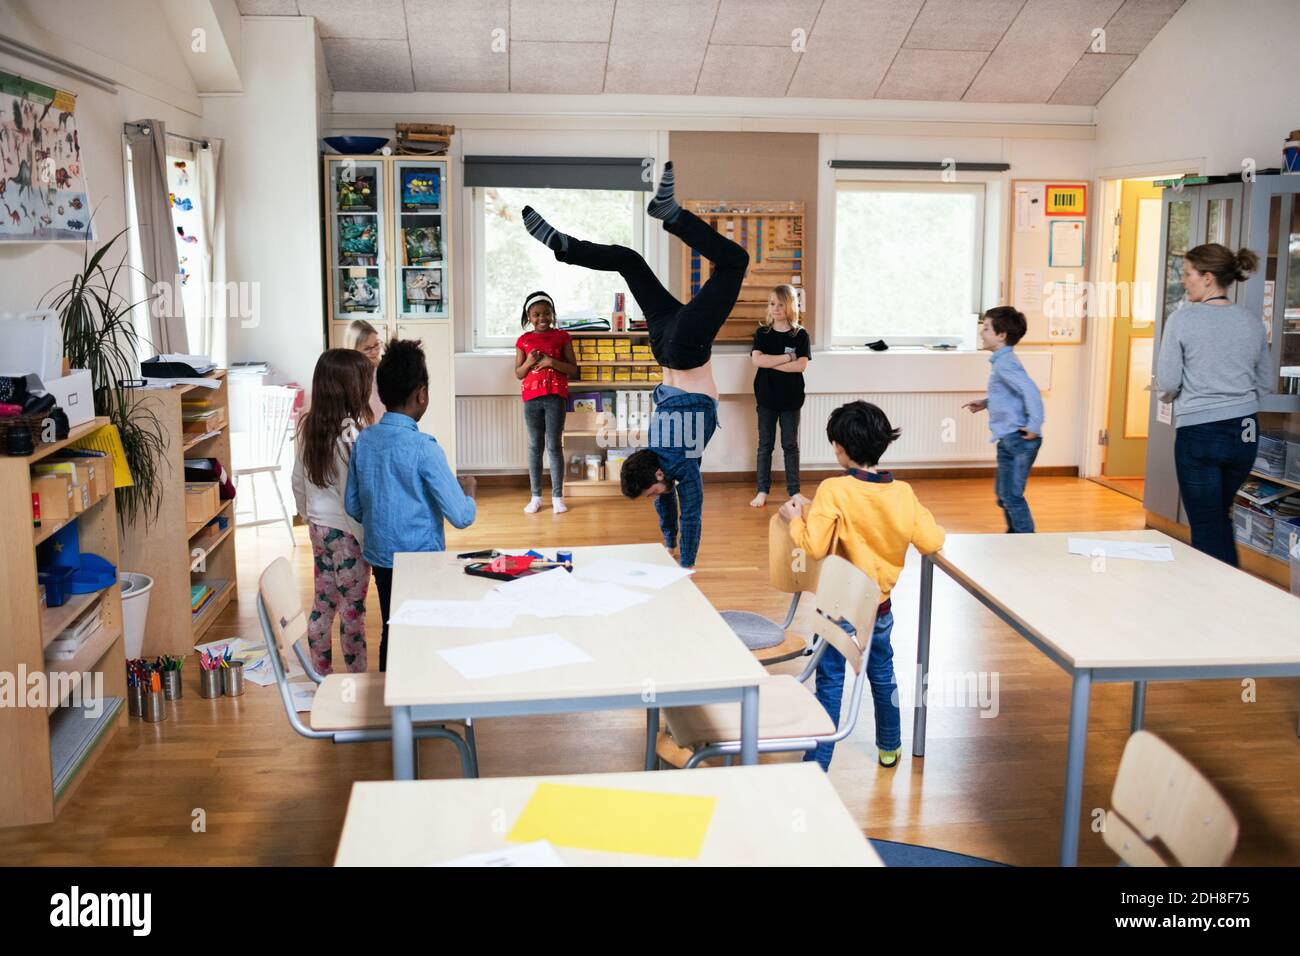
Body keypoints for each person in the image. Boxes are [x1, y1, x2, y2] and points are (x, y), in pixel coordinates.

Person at [522, 162, 748, 568]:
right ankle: (564, 246)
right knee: (628, 260)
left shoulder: (679, 464)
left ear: (658, 476)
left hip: (684, 349)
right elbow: (666, 503)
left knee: (735, 263)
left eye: (650, 492)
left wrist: (686, 563)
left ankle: (671, 216)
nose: (656, 500)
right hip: (662, 342)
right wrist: (667, 540)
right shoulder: (655, 450)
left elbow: (689, 511)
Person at [779, 401, 945, 770]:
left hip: (838, 605)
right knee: (882, 674)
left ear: (840, 446)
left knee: (831, 680)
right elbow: (932, 541)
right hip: (879, 607)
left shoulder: (833, 489)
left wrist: (795, 519)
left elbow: (814, 545)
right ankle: (891, 745)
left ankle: (818, 762)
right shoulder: (902, 493)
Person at [345, 339, 477, 670]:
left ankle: (392, 703)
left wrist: (381, 520)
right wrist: (470, 493)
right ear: (422, 394)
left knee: (393, 627)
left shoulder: (365, 441)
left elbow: (352, 504)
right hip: (422, 563)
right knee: (423, 629)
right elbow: (460, 516)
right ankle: (422, 696)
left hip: (383, 558)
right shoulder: (424, 448)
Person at [1156, 243, 1269, 565]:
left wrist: (1172, 396)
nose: (1184, 281)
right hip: (1246, 433)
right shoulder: (1251, 322)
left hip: (1201, 431)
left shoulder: (1183, 320)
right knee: (1220, 516)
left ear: (1207, 278)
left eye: (1188, 274)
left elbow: (1167, 382)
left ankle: (1216, 603)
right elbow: (1264, 382)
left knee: (1207, 523)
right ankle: (1229, 593)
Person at [291, 349, 375, 674]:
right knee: (353, 612)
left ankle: (321, 679)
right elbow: (350, 494)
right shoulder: (350, 432)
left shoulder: (310, 425)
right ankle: (357, 683)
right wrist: (366, 538)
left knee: (323, 605)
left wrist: (308, 515)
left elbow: (297, 480)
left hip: (319, 529)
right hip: (347, 534)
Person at [963, 306, 1045, 533]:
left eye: (986, 328)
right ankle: (1014, 536)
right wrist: (986, 403)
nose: (981, 332)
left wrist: (1034, 426)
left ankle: (1025, 541)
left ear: (1001, 335)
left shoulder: (1005, 363)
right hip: (1008, 439)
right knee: (1003, 495)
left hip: (1019, 440)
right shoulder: (1002, 362)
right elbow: (1010, 394)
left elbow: (1031, 391)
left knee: (1012, 496)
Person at [514, 290, 577, 514]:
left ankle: (557, 496)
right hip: (531, 399)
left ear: (552, 314)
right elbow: (519, 373)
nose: (542, 318)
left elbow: (573, 369)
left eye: (546, 313)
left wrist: (551, 361)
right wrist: (530, 360)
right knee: (534, 446)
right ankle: (536, 496)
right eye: (536, 314)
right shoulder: (523, 341)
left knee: (553, 446)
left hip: (555, 398)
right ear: (528, 317)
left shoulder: (562, 337)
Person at [750, 284, 811, 509]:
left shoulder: (800, 334)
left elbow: (801, 366)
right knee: (765, 445)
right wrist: (788, 358)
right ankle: (762, 490)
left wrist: (771, 361)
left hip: (791, 400)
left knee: (790, 445)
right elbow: (757, 361)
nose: (775, 308)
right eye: (772, 303)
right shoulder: (762, 333)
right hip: (766, 399)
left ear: (790, 305)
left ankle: (794, 492)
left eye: (780, 304)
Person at [344, 318, 385, 424]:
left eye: (376, 345)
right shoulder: (348, 375)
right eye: (367, 349)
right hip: (361, 429)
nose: (375, 351)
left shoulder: (381, 369)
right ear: (353, 350)